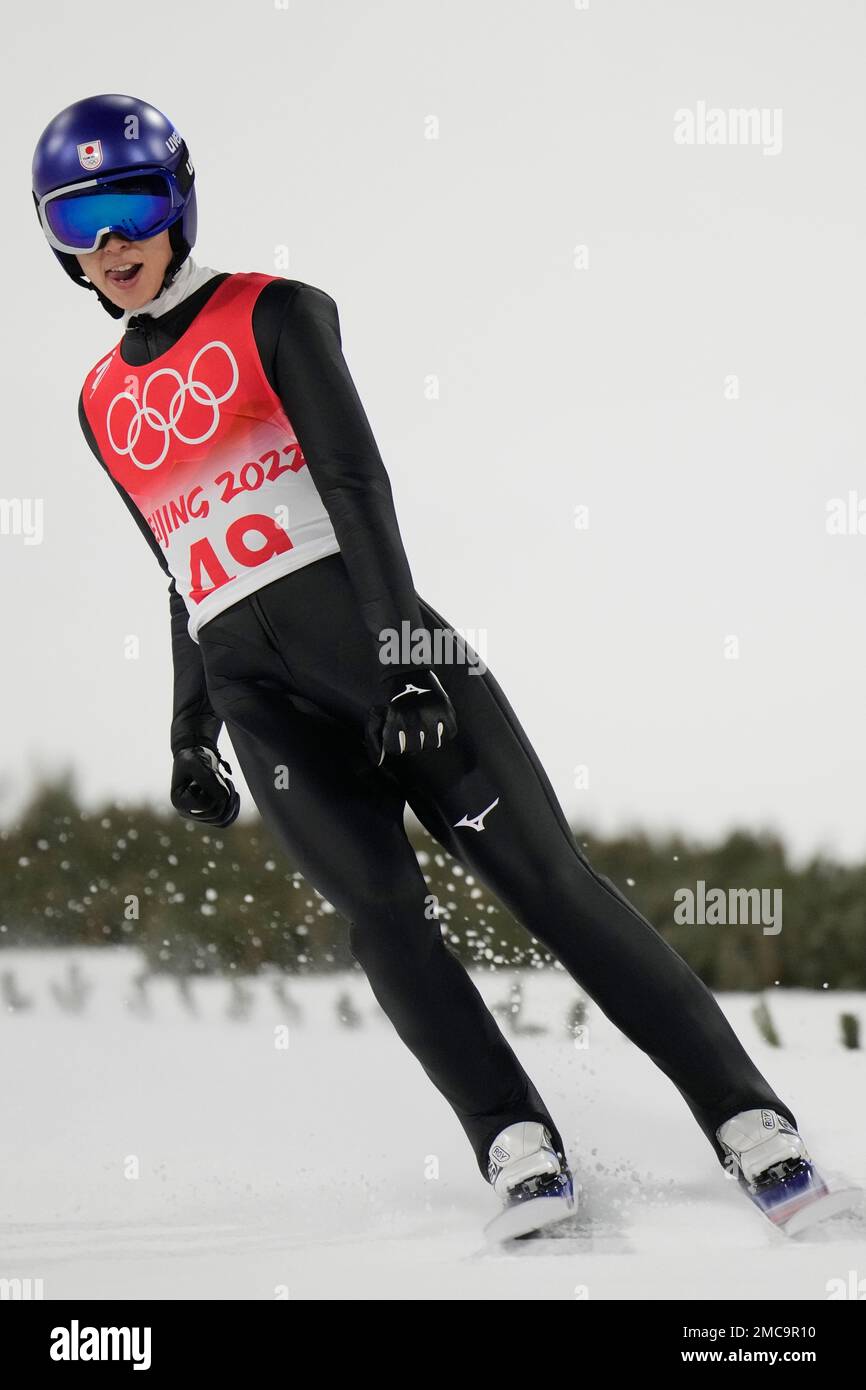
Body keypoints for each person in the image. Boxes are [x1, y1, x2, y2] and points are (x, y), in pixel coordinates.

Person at [32, 92, 811, 1230]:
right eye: (78, 221)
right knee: (381, 912)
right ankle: (511, 1141)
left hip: (379, 644)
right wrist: (187, 726)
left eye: (132, 205)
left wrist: (403, 663)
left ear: (178, 202)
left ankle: (747, 1117)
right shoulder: (100, 401)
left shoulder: (275, 312)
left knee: (546, 881)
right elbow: (177, 563)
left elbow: (356, 486)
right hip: (256, 693)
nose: (112, 245)